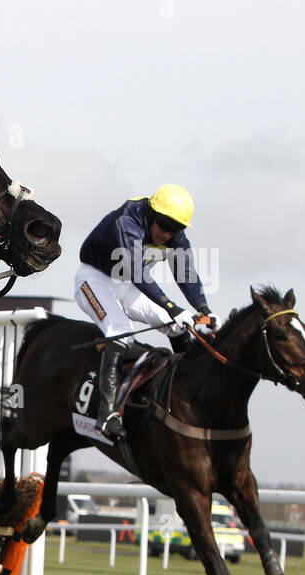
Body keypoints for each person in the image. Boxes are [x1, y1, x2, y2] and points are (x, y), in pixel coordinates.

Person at [74, 184, 217, 438]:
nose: (167, 233)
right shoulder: (128, 220)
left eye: (175, 229)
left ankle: (186, 396)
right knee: (121, 333)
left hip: (126, 284)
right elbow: (137, 271)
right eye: (163, 224)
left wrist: (203, 309)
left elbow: (186, 274)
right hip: (94, 280)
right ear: (152, 214)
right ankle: (106, 415)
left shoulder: (174, 236)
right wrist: (172, 306)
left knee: (176, 326)